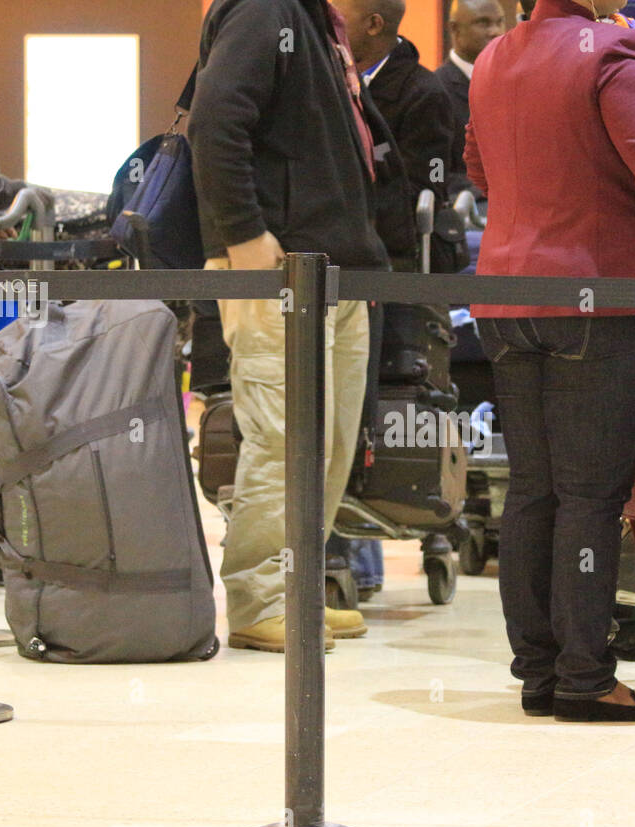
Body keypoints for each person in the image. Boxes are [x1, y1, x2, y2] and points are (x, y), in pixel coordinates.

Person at [466, 0, 635, 721]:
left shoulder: (493, 59)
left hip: (509, 302)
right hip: (604, 302)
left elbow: (479, 171)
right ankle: (586, 678)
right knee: (589, 498)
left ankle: (541, 673)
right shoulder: (614, 52)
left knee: (533, 491)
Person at [189, 0, 388, 653]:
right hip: (280, 269)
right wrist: (244, 234)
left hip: (335, 269)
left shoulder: (315, 23)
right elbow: (216, 122)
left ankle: (295, 588)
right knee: (281, 439)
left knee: (326, 445)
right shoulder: (263, 9)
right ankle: (257, 599)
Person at [335, 0, 456, 269]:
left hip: (387, 260)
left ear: (374, 25)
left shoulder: (425, 94)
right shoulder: (328, 79)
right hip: (325, 247)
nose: (329, 25)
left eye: (338, 17)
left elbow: (423, 195)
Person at [437, 0, 505, 200]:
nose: (495, 31)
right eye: (483, 23)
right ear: (454, 29)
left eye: (499, 22)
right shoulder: (436, 89)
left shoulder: (514, 83)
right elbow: (435, 170)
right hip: (468, 210)